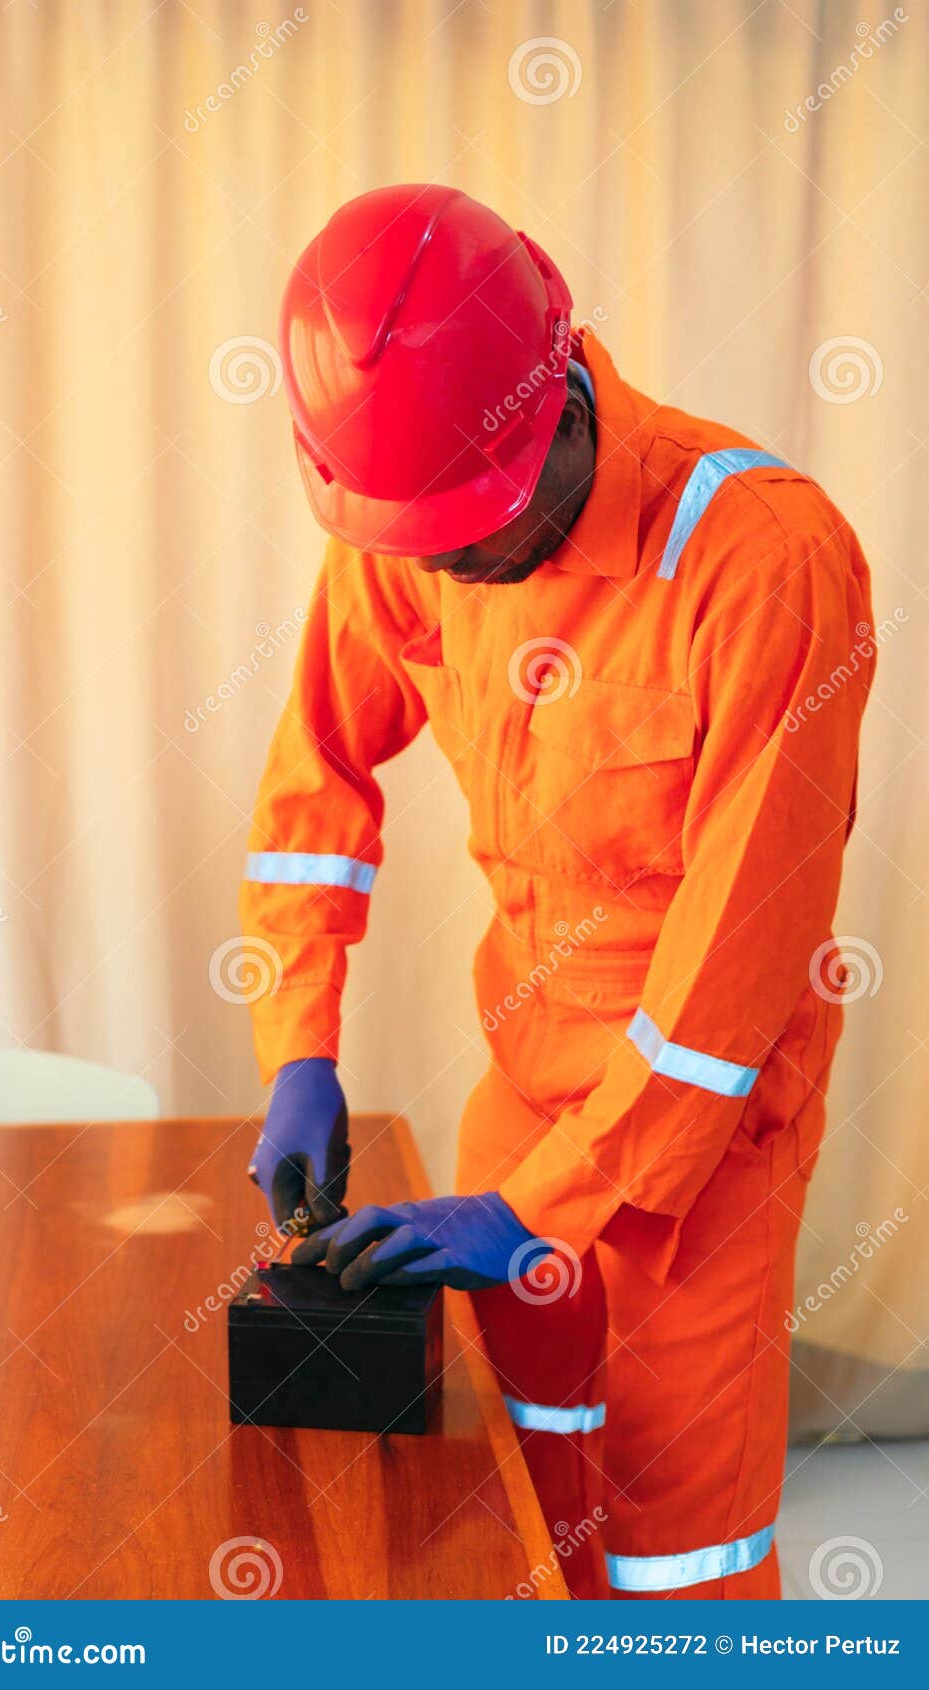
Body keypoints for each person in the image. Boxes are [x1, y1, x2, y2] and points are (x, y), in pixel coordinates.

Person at [240, 184, 874, 1599]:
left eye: (473, 535)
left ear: (560, 395)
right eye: (420, 548)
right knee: (519, 1513)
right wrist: (299, 1048)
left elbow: (736, 966)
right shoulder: (407, 519)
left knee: (672, 1556)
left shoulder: (764, 562)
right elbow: (315, 794)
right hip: (520, 1108)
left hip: (690, 1163)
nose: (449, 576)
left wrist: (557, 1200)